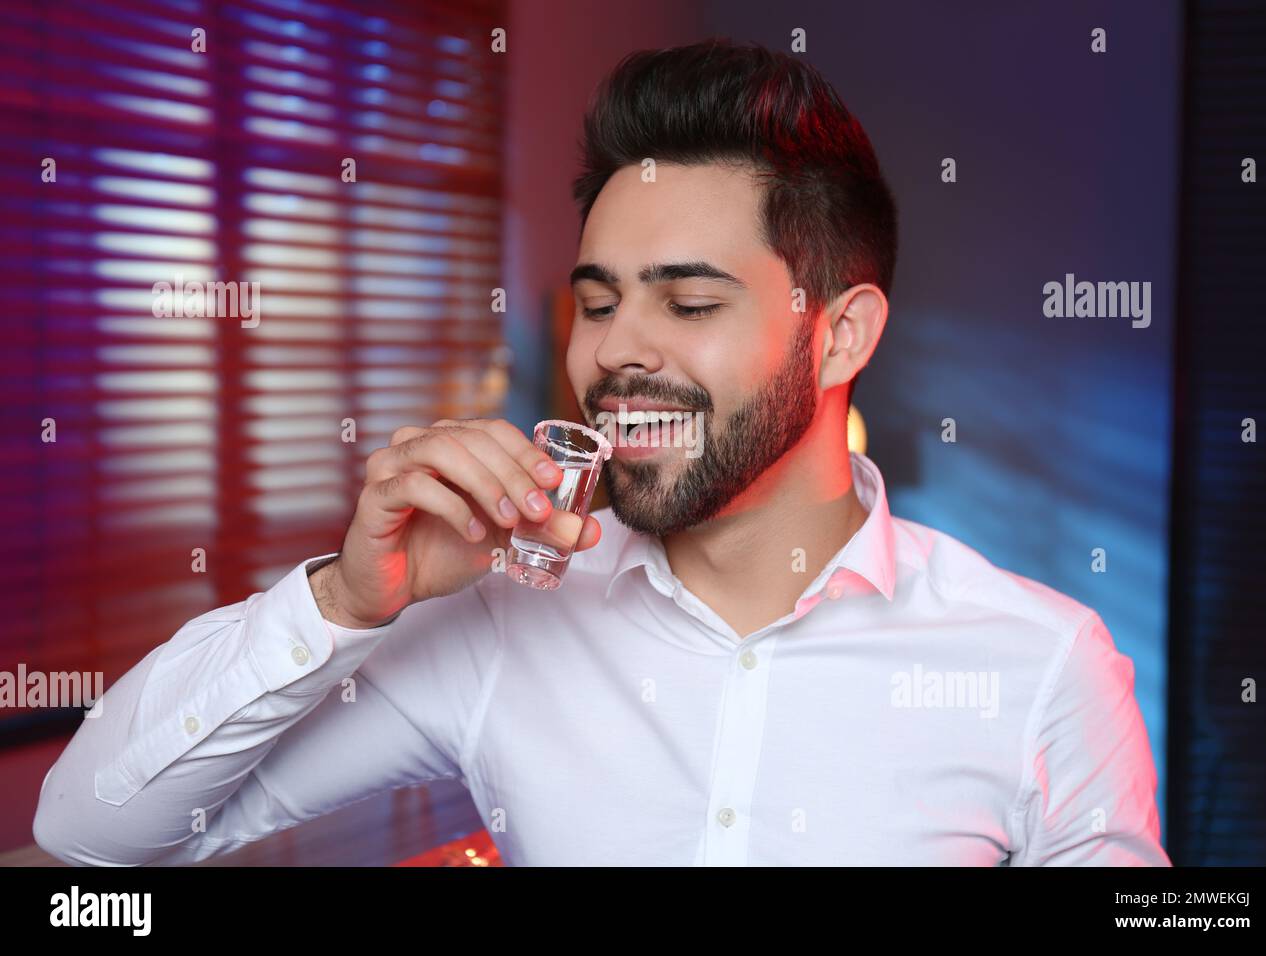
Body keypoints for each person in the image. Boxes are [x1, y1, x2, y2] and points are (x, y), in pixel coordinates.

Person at [33, 38, 1170, 866]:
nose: (613, 352)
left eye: (686, 302)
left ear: (839, 336)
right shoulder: (503, 622)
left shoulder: (1040, 665)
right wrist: (342, 598)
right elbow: (87, 834)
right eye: (596, 301)